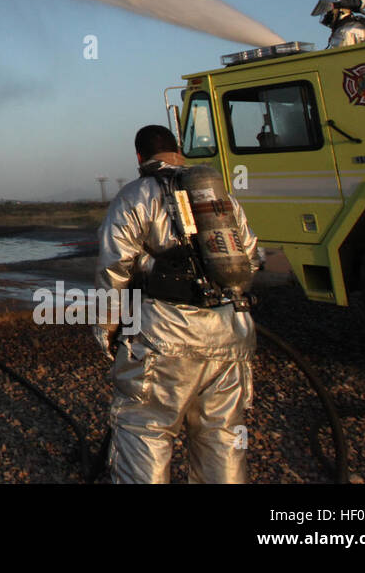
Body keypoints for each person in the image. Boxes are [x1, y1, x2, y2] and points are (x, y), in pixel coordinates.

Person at [94, 124, 261, 483]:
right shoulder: (221, 198)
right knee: (222, 436)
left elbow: (114, 269)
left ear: (140, 157)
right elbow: (248, 257)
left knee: (146, 430)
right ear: (179, 151)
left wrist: (107, 329)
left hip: (162, 338)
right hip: (231, 337)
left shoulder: (134, 196)